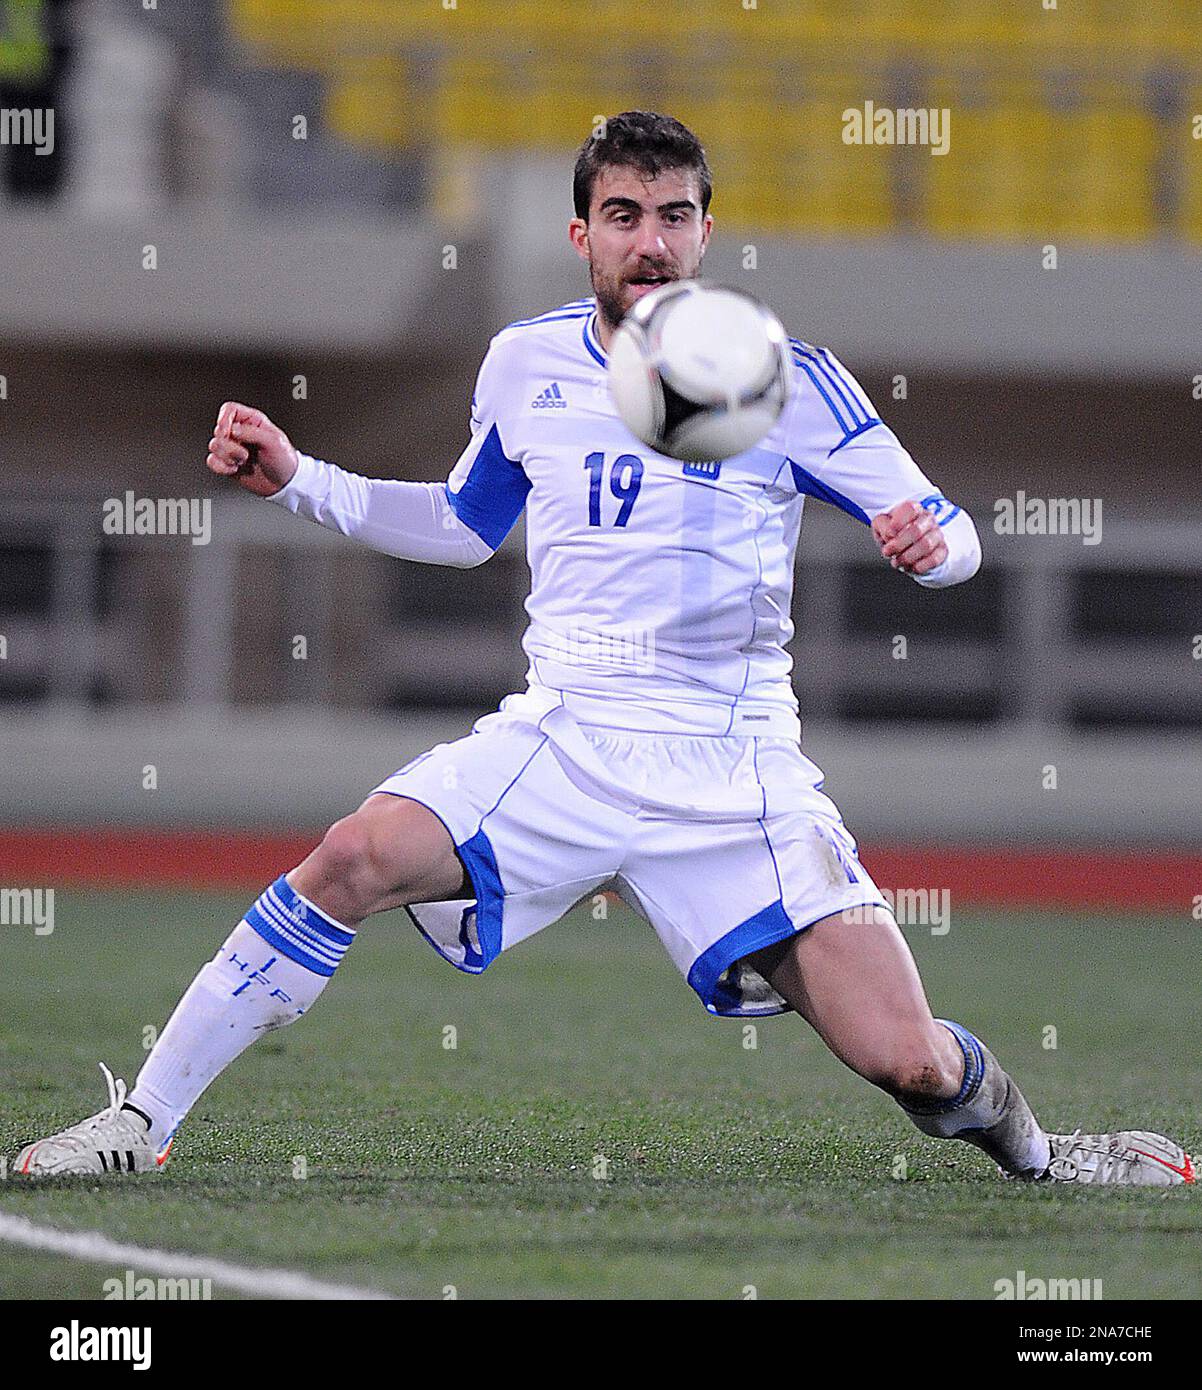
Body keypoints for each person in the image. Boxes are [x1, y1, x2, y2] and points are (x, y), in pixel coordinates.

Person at [16, 111, 1192, 1187]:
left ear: (705, 230)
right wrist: (301, 480)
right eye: (623, 215)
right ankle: (142, 1121)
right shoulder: (523, 360)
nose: (650, 240)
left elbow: (954, 537)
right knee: (349, 857)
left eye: (673, 214)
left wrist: (920, 547)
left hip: (733, 774)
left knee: (910, 1060)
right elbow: (465, 526)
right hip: (564, 736)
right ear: (582, 234)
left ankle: (1043, 1153)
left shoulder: (784, 380)